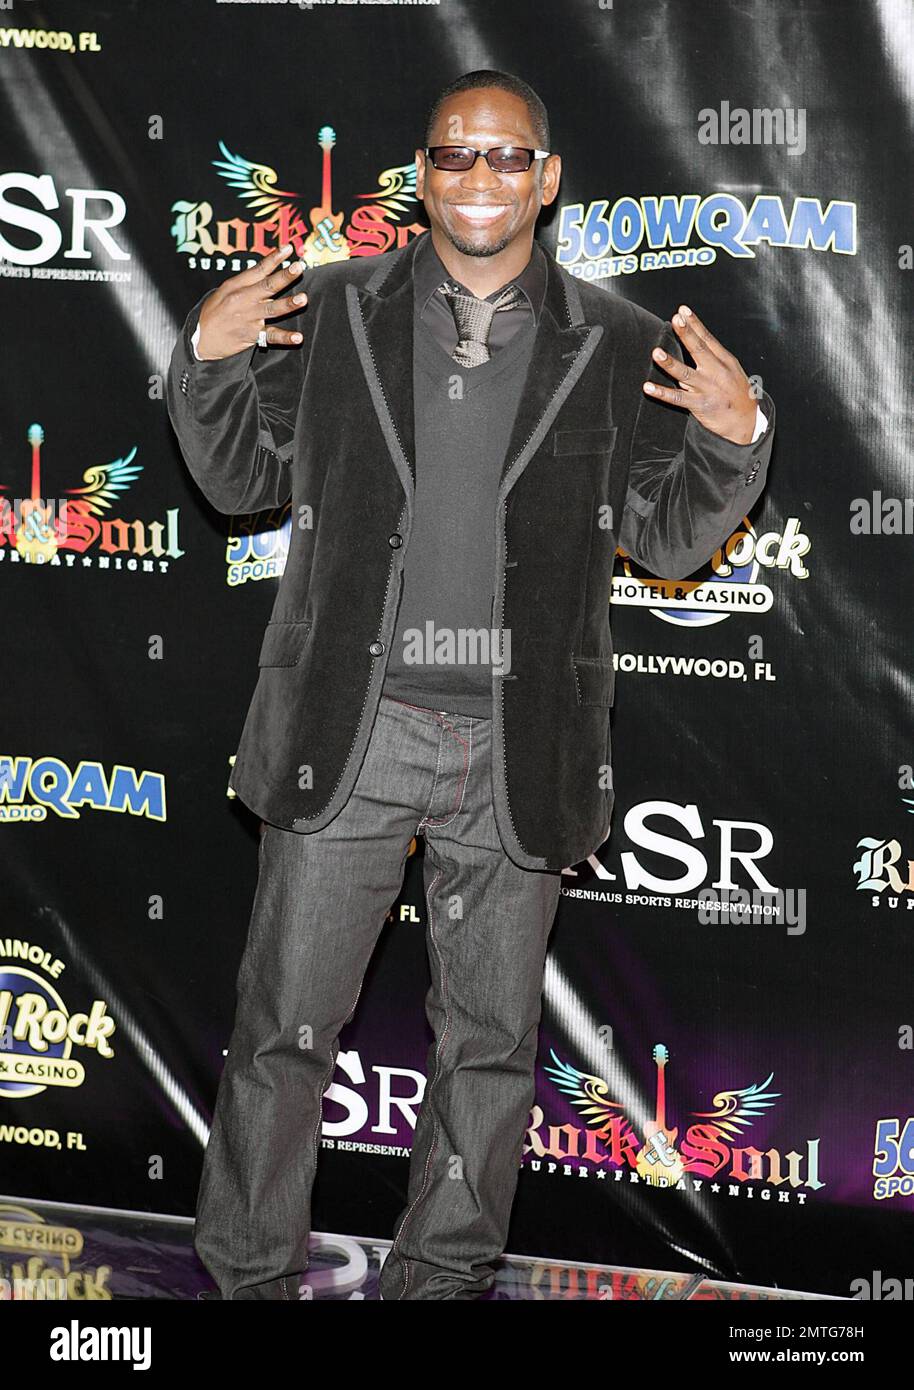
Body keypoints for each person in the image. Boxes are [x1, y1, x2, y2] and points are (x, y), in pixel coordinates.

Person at [167, 69, 774, 1301]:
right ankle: (243, 1274)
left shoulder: (615, 341)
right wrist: (206, 362)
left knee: (489, 1052)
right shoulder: (331, 311)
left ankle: (437, 1282)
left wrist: (733, 444)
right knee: (281, 1028)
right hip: (350, 725)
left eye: (506, 158)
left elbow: (662, 540)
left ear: (545, 180)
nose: (480, 178)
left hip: (518, 738)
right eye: (455, 156)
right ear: (423, 176)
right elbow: (237, 483)